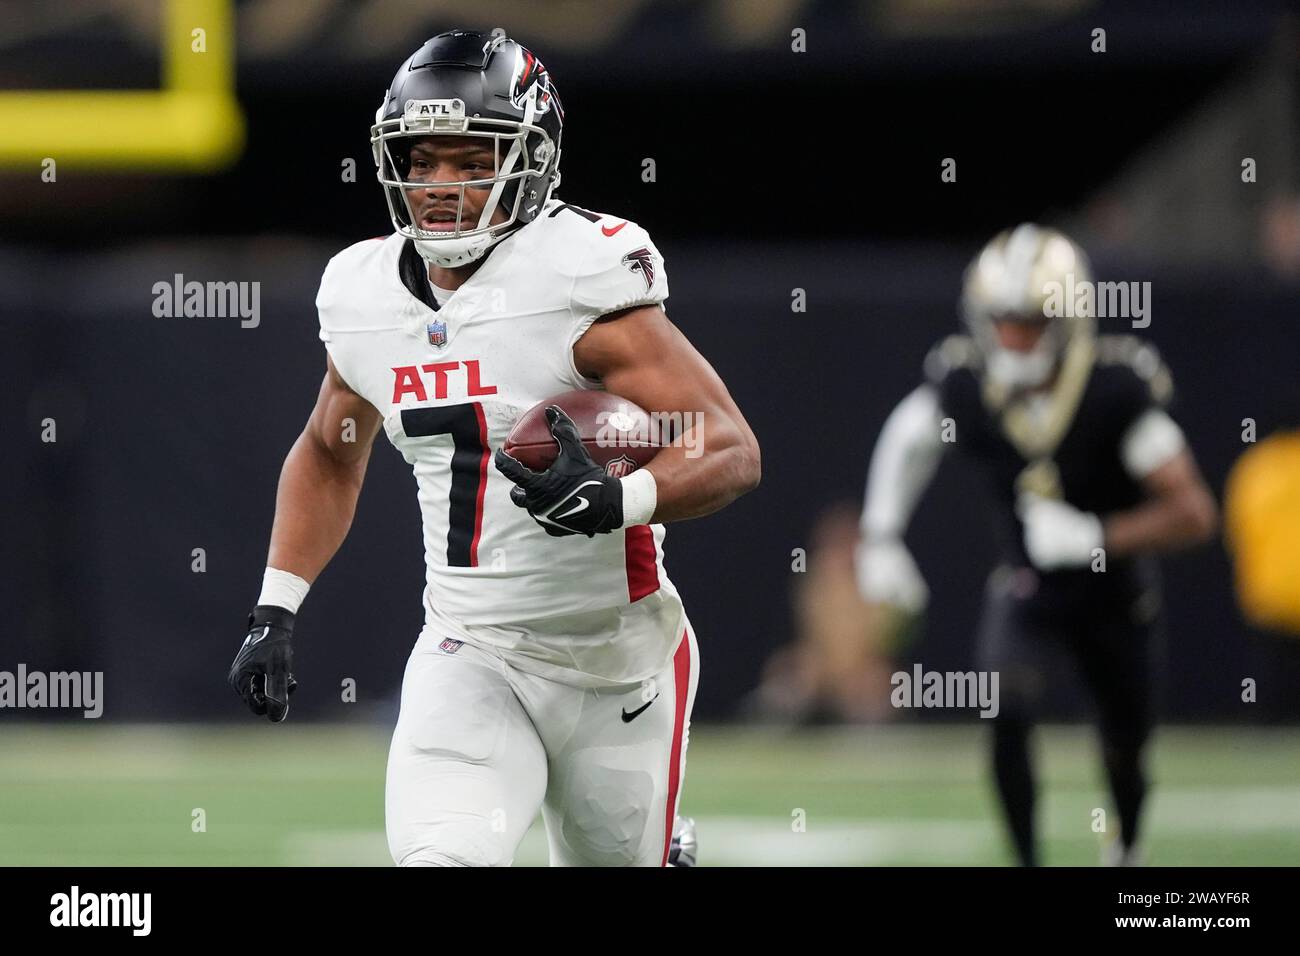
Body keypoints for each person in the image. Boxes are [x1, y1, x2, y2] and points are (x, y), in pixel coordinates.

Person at [227, 29, 759, 867]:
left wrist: (625, 499)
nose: (441, 186)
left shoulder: (579, 276)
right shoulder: (363, 295)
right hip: (469, 651)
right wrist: (276, 605)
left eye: (471, 160)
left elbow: (726, 443)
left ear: (531, 159)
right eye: (421, 159)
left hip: (619, 665)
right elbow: (331, 450)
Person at [855, 224, 1217, 865]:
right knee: (1004, 707)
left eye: (1029, 321)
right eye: (1001, 320)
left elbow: (1193, 513)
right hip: (1030, 585)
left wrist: (1097, 535)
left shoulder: (1111, 389)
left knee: (1124, 747)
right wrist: (880, 537)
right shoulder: (968, 382)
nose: (1012, 337)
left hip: (1116, 592)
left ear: (1068, 319)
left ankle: (1127, 848)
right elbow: (910, 437)